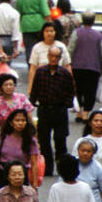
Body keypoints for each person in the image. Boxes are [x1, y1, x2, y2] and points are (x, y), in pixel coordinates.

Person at [30, 45, 75, 174]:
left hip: (59, 111)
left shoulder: (65, 74)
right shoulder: (40, 72)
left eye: (57, 57)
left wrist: (66, 104)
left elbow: (70, 92)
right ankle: (47, 168)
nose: (54, 59)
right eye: (52, 56)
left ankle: (62, 169)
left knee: (60, 139)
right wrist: (32, 103)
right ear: (48, 56)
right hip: (44, 110)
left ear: (60, 58)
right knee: (44, 140)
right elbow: (35, 89)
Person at [68, 14, 102, 121]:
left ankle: (79, 112)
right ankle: (86, 113)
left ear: (83, 20)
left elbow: (70, 49)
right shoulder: (98, 35)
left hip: (77, 66)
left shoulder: (76, 33)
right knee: (90, 91)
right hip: (93, 67)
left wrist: (68, 63)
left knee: (78, 89)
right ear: (93, 21)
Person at [0, 73, 33, 152]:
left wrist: (33, 134)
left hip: (23, 134)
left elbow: (30, 118)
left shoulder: (22, 98)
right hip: (5, 136)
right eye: (6, 85)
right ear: (1, 87)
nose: (9, 87)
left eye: (11, 84)